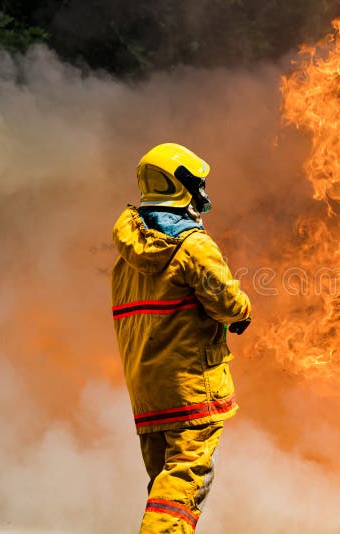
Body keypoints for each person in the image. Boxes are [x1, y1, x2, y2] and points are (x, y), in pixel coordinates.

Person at [111, 143, 252, 533]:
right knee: (184, 485)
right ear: (180, 187)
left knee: (163, 487)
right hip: (191, 387)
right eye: (198, 185)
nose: (204, 194)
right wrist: (242, 312)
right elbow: (225, 301)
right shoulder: (192, 246)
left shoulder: (128, 254)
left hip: (148, 391)